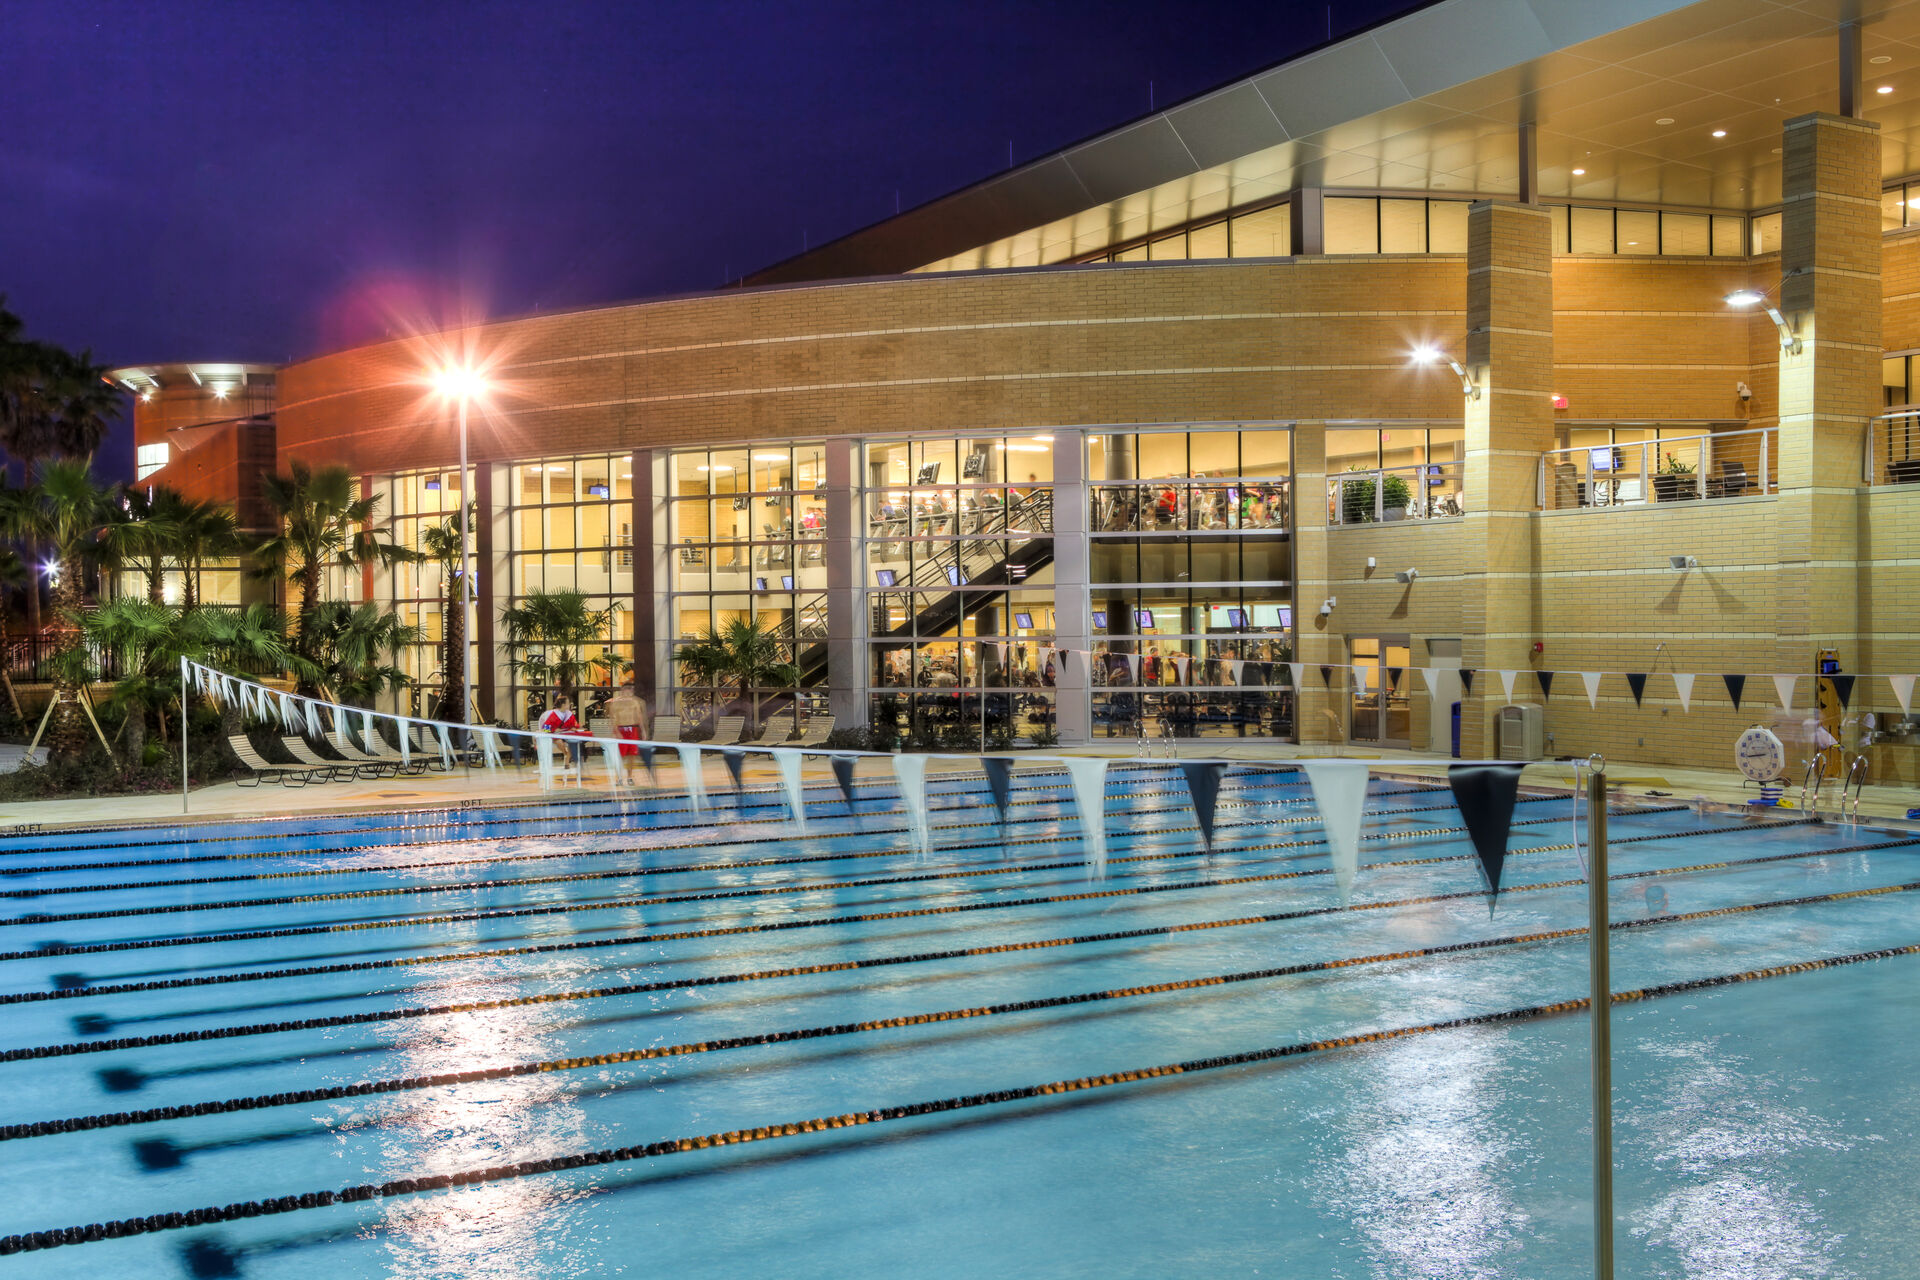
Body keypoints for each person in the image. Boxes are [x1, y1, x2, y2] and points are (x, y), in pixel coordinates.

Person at [539, 694, 589, 767]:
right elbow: (545, 728)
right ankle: (566, 754)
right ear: (563, 705)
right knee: (559, 742)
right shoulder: (554, 715)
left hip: (566, 733)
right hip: (555, 735)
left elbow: (574, 724)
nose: (570, 704)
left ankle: (567, 760)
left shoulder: (569, 714)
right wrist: (554, 730)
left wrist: (576, 727)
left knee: (573, 743)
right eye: (568, 703)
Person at [605, 681, 648, 760]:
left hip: (632, 729)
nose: (630, 691)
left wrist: (643, 731)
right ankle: (619, 770)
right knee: (620, 754)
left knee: (632, 754)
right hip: (620, 728)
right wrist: (616, 732)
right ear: (623, 690)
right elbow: (612, 719)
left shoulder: (636, 702)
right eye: (627, 689)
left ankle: (629, 772)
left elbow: (639, 717)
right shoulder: (615, 703)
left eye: (631, 690)